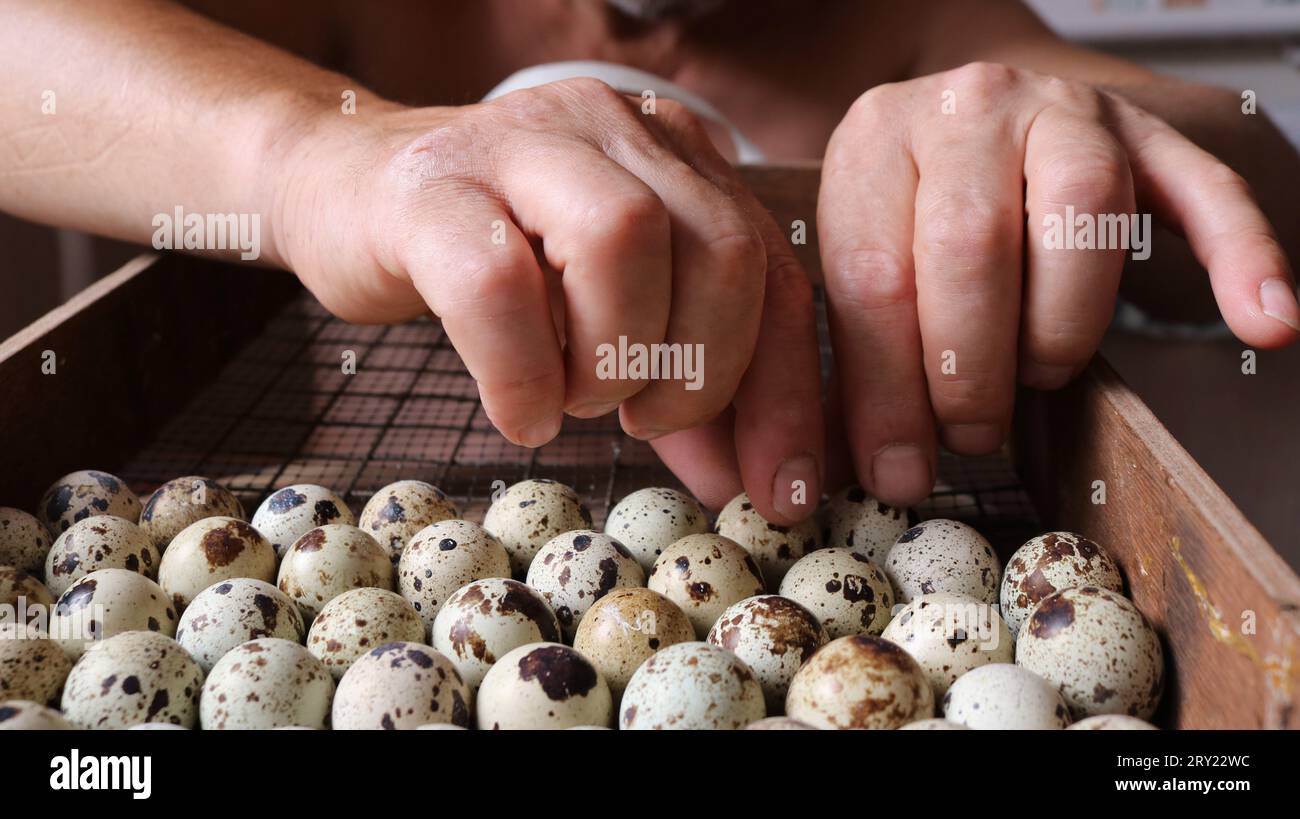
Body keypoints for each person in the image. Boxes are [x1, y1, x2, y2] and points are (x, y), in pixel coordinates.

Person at [3, 0, 1297, 526]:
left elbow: (1254, 158)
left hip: (817, 549)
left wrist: (1094, 134)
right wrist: (301, 155)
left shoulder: (898, 18)